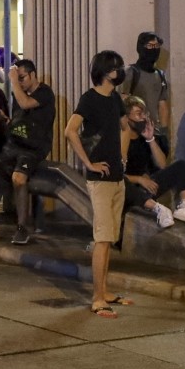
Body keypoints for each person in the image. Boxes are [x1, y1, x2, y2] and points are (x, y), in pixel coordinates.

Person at [65, 50, 134, 319]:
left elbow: (125, 127)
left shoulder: (115, 98)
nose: (121, 71)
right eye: (117, 67)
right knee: (102, 238)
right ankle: (97, 298)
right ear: (106, 71)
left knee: (110, 237)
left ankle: (104, 291)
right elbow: (70, 130)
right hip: (100, 179)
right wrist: (89, 164)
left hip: (117, 176)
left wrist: (123, 156)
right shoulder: (89, 98)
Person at [0, 59, 55, 245]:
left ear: (33, 75)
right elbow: (20, 116)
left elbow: (26, 103)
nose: (19, 82)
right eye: (17, 78)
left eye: (22, 78)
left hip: (33, 147)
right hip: (15, 143)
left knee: (18, 178)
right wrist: (7, 121)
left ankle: (23, 227)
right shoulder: (20, 94)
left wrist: (12, 80)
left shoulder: (44, 92)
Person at [123, 95, 185, 229]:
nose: (143, 118)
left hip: (148, 186)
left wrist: (150, 139)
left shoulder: (145, 138)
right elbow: (116, 175)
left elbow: (162, 165)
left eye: (144, 114)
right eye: (138, 114)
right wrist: (139, 179)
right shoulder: (121, 140)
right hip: (129, 189)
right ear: (127, 118)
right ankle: (158, 209)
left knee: (183, 165)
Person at [119, 32, 170, 153]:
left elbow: (163, 106)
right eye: (150, 46)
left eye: (156, 46)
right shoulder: (130, 72)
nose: (154, 50)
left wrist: (163, 132)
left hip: (153, 132)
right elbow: (123, 101)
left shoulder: (160, 75)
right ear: (141, 48)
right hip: (134, 132)